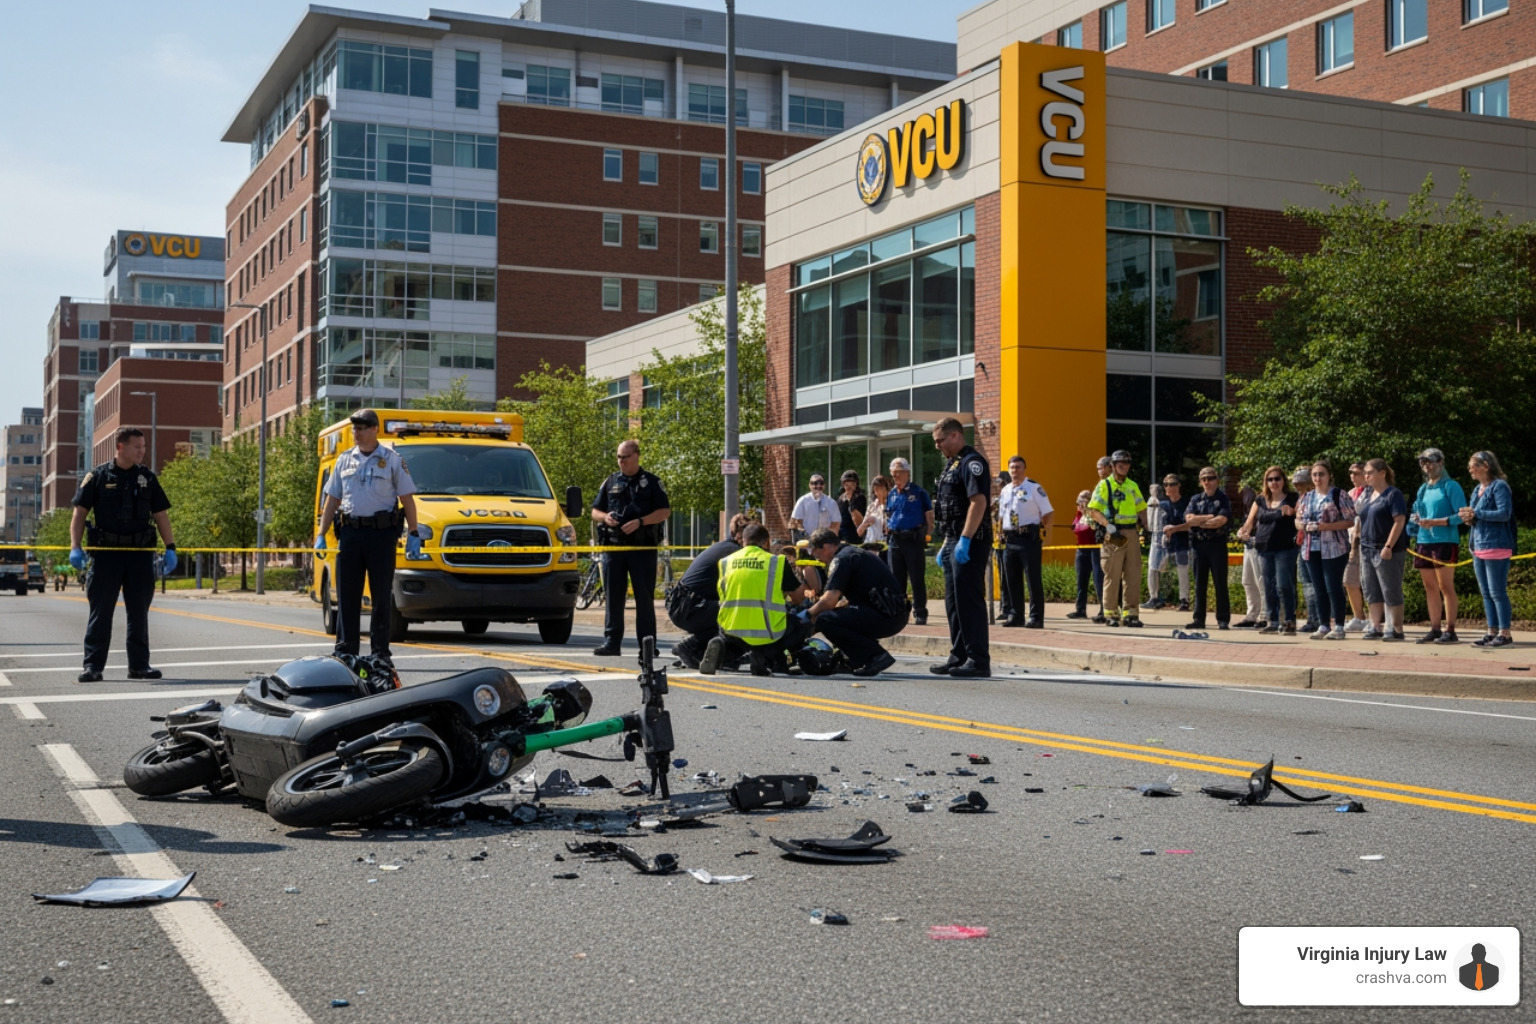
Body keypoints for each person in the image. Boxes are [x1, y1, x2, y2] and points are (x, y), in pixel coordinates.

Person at [70, 427, 177, 683]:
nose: (142, 451)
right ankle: (92, 666)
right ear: (121, 447)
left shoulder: (147, 478)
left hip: (140, 555)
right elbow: (79, 513)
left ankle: (139, 666)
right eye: (137, 446)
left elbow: (161, 515)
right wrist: (75, 546)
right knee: (101, 612)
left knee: (139, 612)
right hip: (106, 555)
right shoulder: (97, 476)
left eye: (143, 446)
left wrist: (171, 548)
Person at [316, 409, 421, 663]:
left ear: (375, 429)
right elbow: (333, 499)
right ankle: (345, 650)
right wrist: (322, 532)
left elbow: (407, 499)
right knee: (347, 595)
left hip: (381, 535)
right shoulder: (344, 460)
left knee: (381, 596)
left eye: (361, 428)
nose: (356, 433)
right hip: (350, 533)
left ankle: (380, 653)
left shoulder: (392, 460)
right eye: (354, 429)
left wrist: (415, 532)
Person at [590, 438, 671, 656]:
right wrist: (605, 517)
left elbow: (665, 511)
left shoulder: (652, 482)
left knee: (644, 600)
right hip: (614, 550)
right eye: (618, 457)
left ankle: (647, 645)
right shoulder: (610, 481)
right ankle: (611, 643)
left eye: (624, 457)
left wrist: (641, 521)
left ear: (636, 456)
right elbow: (595, 511)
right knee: (613, 597)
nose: (620, 462)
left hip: (642, 550)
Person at [700, 523, 809, 675]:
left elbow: (722, 595)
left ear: (742, 541)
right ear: (766, 542)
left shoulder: (725, 562)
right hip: (769, 632)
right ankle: (765, 657)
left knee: (738, 635)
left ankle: (724, 647)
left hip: (732, 629)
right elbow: (798, 598)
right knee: (801, 623)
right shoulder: (776, 562)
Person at [929, 418, 992, 677]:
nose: (937, 446)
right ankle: (959, 655)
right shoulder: (951, 464)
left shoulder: (971, 463)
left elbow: (978, 503)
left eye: (940, 441)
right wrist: (947, 542)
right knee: (953, 602)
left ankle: (978, 660)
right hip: (953, 539)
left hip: (972, 540)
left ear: (956, 435)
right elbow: (951, 508)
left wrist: (965, 539)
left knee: (969, 600)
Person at [802, 528, 910, 676]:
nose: (814, 556)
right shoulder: (852, 553)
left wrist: (807, 614)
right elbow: (846, 599)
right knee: (837, 616)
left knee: (825, 619)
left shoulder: (842, 559)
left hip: (885, 616)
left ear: (826, 546)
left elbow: (829, 600)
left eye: (815, 550)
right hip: (892, 614)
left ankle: (875, 655)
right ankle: (853, 659)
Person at [665, 513, 750, 668]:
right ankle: (690, 646)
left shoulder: (724, 546)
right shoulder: (734, 553)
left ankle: (704, 652)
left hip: (683, 604)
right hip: (688, 607)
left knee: (731, 608)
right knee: (739, 610)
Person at [1410, 448, 1467, 645]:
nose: (1427, 466)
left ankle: (1450, 629)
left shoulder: (1451, 486)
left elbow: (1462, 515)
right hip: (1424, 541)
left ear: (1441, 462)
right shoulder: (1423, 488)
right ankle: (1435, 628)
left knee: (1445, 586)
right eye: (1423, 463)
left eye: (1431, 461)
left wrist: (1437, 522)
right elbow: (1415, 511)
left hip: (1445, 540)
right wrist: (1415, 521)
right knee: (1429, 586)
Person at [1087, 449, 1147, 628]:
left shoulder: (1132, 485)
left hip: (1132, 533)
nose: (1125, 467)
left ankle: (1131, 613)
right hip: (1113, 533)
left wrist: (1146, 528)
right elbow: (1093, 510)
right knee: (1112, 574)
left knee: (1133, 574)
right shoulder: (1105, 485)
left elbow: (1141, 508)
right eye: (1121, 463)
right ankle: (1111, 613)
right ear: (1112, 466)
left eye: (1127, 463)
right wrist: (1107, 525)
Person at [1461, 450, 1515, 648]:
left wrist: (1477, 512)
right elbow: (1477, 517)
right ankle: (1491, 630)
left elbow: (1504, 514)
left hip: (1496, 545)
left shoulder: (1499, 486)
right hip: (1478, 545)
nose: (1470, 469)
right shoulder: (1477, 489)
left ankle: (1505, 632)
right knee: (1485, 592)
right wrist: (1468, 517)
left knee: (1497, 591)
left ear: (1486, 466)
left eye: (1473, 465)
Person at [1297, 461, 1356, 640]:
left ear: (1329, 475)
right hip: (1310, 548)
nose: (1317, 478)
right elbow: (1298, 519)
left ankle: (1338, 625)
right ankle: (1323, 624)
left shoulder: (1339, 495)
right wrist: (1303, 525)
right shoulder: (1307, 497)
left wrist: (1325, 526)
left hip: (1334, 548)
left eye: (1321, 474)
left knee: (1333, 587)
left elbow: (1350, 520)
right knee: (1318, 588)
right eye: (1314, 475)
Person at [1237, 466, 1298, 635]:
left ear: (1283, 480)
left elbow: (1299, 514)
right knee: (1268, 585)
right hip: (1263, 547)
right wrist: (1245, 531)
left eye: (1277, 478)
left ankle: (1289, 621)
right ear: (1266, 482)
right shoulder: (1260, 500)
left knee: (1284, 585)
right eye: (1270, 479)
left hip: (1285, 548)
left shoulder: (1292, 498)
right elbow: (1250, 521)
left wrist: (1292, 511)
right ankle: (1272, 621)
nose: (1274, 482)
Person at [996, 455, 1054, 628]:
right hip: (1010, 538)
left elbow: (1049, 513)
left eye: (1018, 467)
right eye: (1012, 467)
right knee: (1011, 579)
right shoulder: (1005, 490)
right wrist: (999, 532)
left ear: (1024, 469)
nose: (1015, 471)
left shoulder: (1034, 488)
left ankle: (1036, 617)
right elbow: (1001, 515)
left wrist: (1045, 534)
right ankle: (1016, 615)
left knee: (1033, 579)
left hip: (1029, 537)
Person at [1355, 459, 1409, 641]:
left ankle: (1396, 629)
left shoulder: (1393, 495)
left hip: (1386, 550)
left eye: (1370, 472)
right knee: (1371, 589)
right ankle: (1375, 625)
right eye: (1365, 473)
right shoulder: (1367, 494)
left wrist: (1388, 545)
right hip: (1367, 548)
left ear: (1382, 473)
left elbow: (1399, 521)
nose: (1366, 476)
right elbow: (1360, 519)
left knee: (1390, 589)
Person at [885, 457, 933, 625]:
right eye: (893, 474)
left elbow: (929, 514)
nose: (895, 477)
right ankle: (899, 612)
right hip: (895, 540)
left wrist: (927, 533)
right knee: (896, 580)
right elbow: (888, 514)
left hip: (913, 539)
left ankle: (920, 612)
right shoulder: (891, 494)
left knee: (916, 578)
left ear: (907, 473)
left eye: (898, 473)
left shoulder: (918, 493)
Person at [1183, 466, 1231, 630]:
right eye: (1204, 479)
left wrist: (1200, 521)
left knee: (1220, 583)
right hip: (1198, 545)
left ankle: (1223, 619)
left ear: (1217, 480)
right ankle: (1199, 619)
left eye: (1210, 478)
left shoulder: (1223, 498)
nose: (1207, 482)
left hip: (1217, 544)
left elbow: (1221, 520)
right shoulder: (1196, 499)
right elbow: (1189, 519)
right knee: (1199, 583)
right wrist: (1208, 517)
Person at [1154, 474, 1192, 612]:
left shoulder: (1187, 503)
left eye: (1172, 484)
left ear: (1178, 485)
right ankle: (1162, 599)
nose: (1168, 487)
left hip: (1183, 543)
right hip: (1166, 544)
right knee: (1162, 571)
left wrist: (1174, 529)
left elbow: (1190, 524)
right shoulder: (1162, 505)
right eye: (1166, 484)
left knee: (1182, 571)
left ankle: (1184, 600)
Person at [1292, 466, 1321, 632]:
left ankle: (1318, 620)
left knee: (1315, 584)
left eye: (1300, 484)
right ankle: (1312, 618)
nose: (1297, 487)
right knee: (1306, 584)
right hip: (1303, 544)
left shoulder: (1316, 498)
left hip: (1316, 544)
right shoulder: (1302, 499)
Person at [1233, 480, 1266, 628]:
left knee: (1262, 581)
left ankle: (1264, 615)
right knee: (1247, 580)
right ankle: (1252, 614)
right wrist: (1242, 531)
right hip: (1249, 543)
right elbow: (1249, 520)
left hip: (1260, 543)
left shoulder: (1269, 501)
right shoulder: (1254, 501)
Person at [1342, 462, 1370, 632]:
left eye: (1357, 473)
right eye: (1351, 473)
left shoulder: (1373, 493)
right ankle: (1359, 617)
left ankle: (1375, 618)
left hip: (1367, 540)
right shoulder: (1349, 493)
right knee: (1349, 580)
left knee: (1369, 582)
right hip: (1350, 541)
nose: (1353, 476)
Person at [1067, 490, 1103, 620]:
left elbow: (1091, 527)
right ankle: (1080, 609)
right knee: (1081, 580)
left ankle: (1104, 609)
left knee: (1098, 579)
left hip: (1094, 549)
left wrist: (1087, 511)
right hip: (1081, 549)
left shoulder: (1093, 514)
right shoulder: (1079, 515)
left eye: (1081, 501)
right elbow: (1077, 528)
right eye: (1077, 502)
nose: (1079, 505)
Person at [789, 473, 838, 542]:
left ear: (824, 485)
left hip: (825, 543)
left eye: (821, 483)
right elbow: (794, 522)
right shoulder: (803, 501)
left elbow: (836, 524)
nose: (818, 486)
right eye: (815, 483)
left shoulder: (831, 502)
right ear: (810, 485)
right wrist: (804, 536)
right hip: (807, 543)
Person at [1143, 484, 1167, 610]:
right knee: (1152, 568)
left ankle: (1157, 597)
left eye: (1156, 489)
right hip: (1154, 535)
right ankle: (1155, 597)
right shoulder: (1151, 501)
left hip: (1163, 535)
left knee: (1159, 568)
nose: (1154, 491)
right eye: (1152, 489)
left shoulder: (1164, 503)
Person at [857, 474, 891, 549]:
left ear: (887, 490)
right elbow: (859, 532)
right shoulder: (871, 507)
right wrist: (866, 524)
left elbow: (887, 529)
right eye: (875, 489)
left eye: (880, 488)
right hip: (870, 544)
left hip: (885, 546)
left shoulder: (891, 506)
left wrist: (883, 505)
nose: (877, 491)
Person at [835, 470, 866, 544]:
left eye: (852, 484)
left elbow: (859, 522)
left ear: (856, 484)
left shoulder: (860, 498)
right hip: (841, 537)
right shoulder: (840, 499)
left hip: (855, 537)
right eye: (846, 484)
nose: (849, 487)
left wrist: (851, 502)